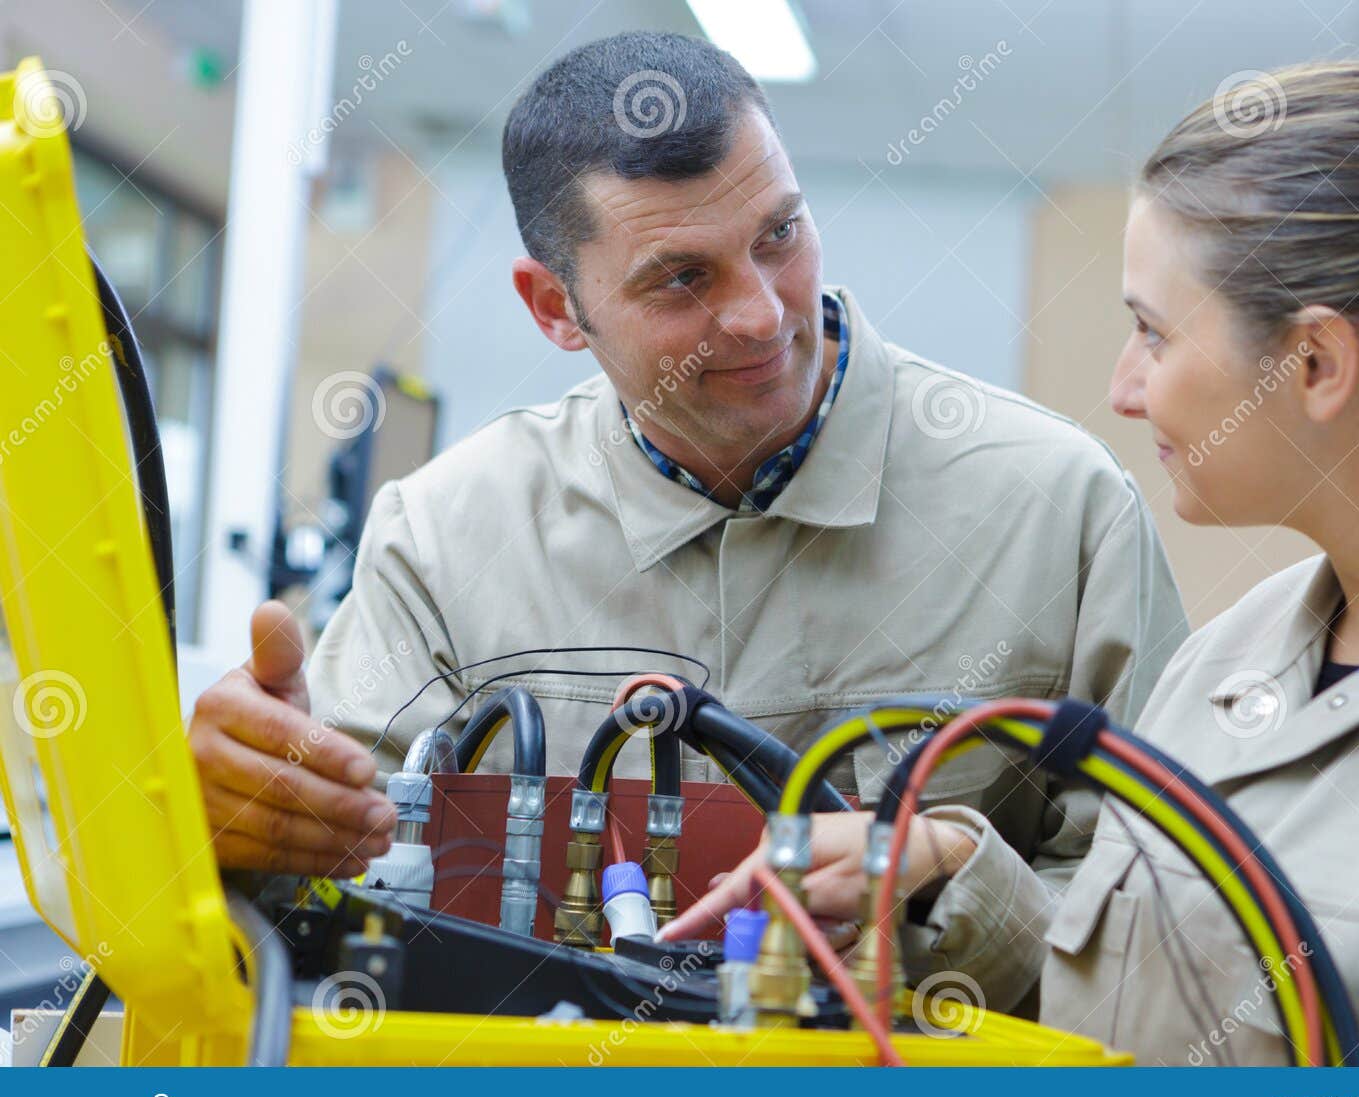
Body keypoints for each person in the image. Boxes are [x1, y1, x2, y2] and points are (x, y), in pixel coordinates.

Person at [666, 60, 1359, 1065]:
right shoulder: (1225, 662)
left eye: (1151, 332)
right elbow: (1141, 1024)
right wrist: (943, 865)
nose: (1121, 388)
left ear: (1315, 364)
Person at [185, 28, 1189, 932]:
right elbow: (320, 885)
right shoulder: (444, 537)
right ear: (553, 307)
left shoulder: (1061, 511)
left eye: (778, 236)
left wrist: (949, 880)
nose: (758, 313)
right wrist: (235, 816)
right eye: (681, 277)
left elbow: (1183, 918)